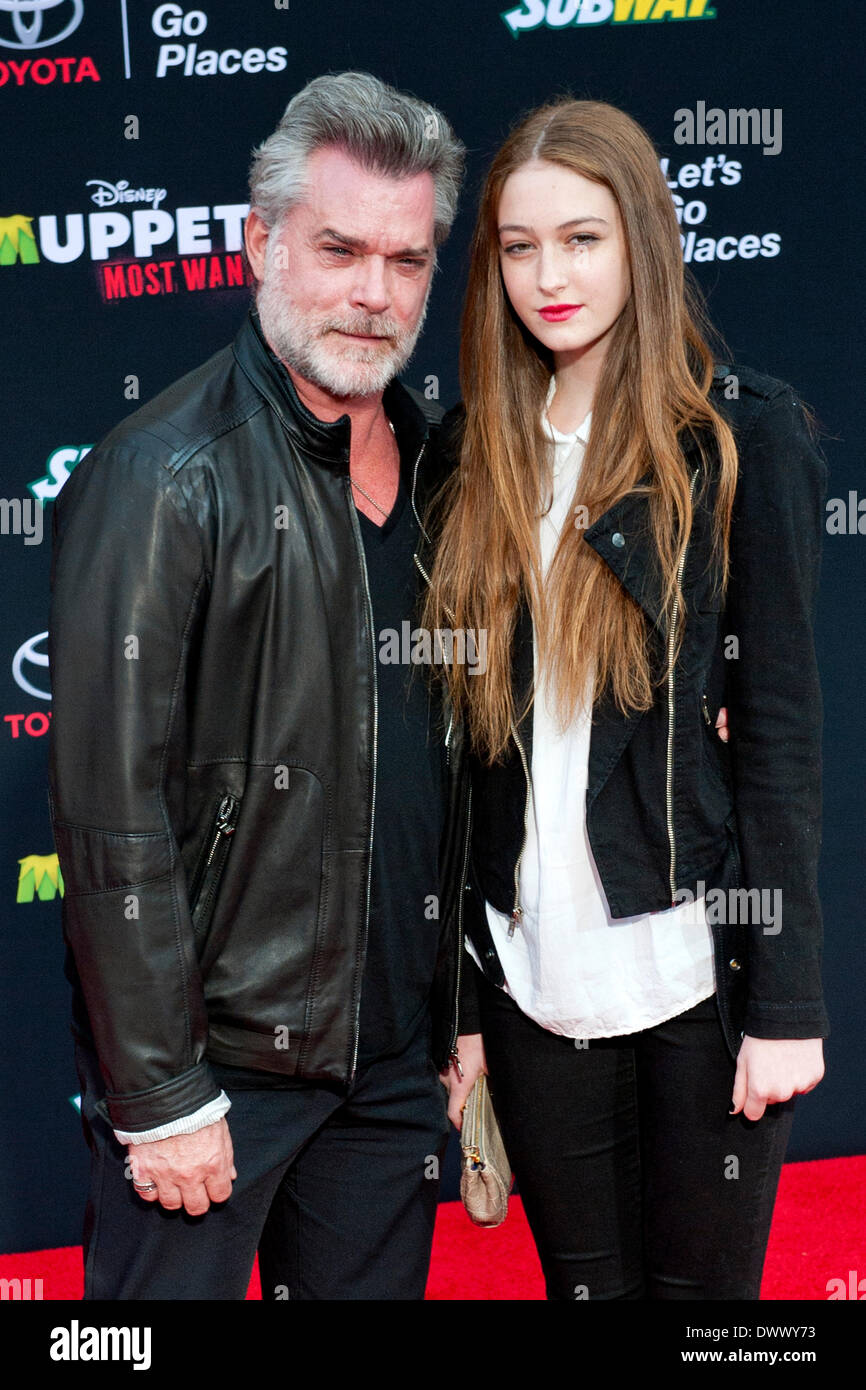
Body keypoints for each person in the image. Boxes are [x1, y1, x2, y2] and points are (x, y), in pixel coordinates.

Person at [47, 71, 470, 1301]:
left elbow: (449, 767)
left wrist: (453, 1018)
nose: (372, 292)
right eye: (339, 248)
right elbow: (106, 810)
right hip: (217, 1072)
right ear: (260, 244)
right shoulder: (165, 475)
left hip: (390, 1071)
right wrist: (162, 1093)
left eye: (406, 258)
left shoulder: (443, 471)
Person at [426, 98, 828, 1300]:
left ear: (643, 242)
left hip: (695, 988)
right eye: (517, 245)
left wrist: (788, 1002)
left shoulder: (733, 442)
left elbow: (780, 735)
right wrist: (460, 997)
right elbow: (459, 756)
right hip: (533, 988)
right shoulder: (469, 454)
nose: (547, 275)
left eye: (582, 238)